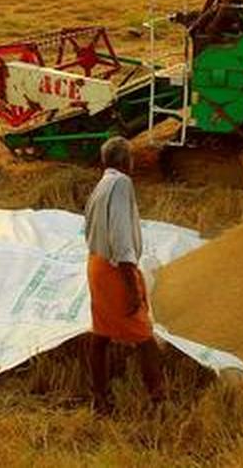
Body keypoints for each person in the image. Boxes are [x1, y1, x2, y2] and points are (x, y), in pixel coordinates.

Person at [84, 136, 164, 414]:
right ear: (125, 160)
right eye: (131, 157)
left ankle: (100, 400)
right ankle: (158, 401)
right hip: (116, 269)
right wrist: (131, 285)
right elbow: (121, 236)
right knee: (144, 337)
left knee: (101, 334)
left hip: (96, 264)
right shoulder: (121, 184)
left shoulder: (101, 185)